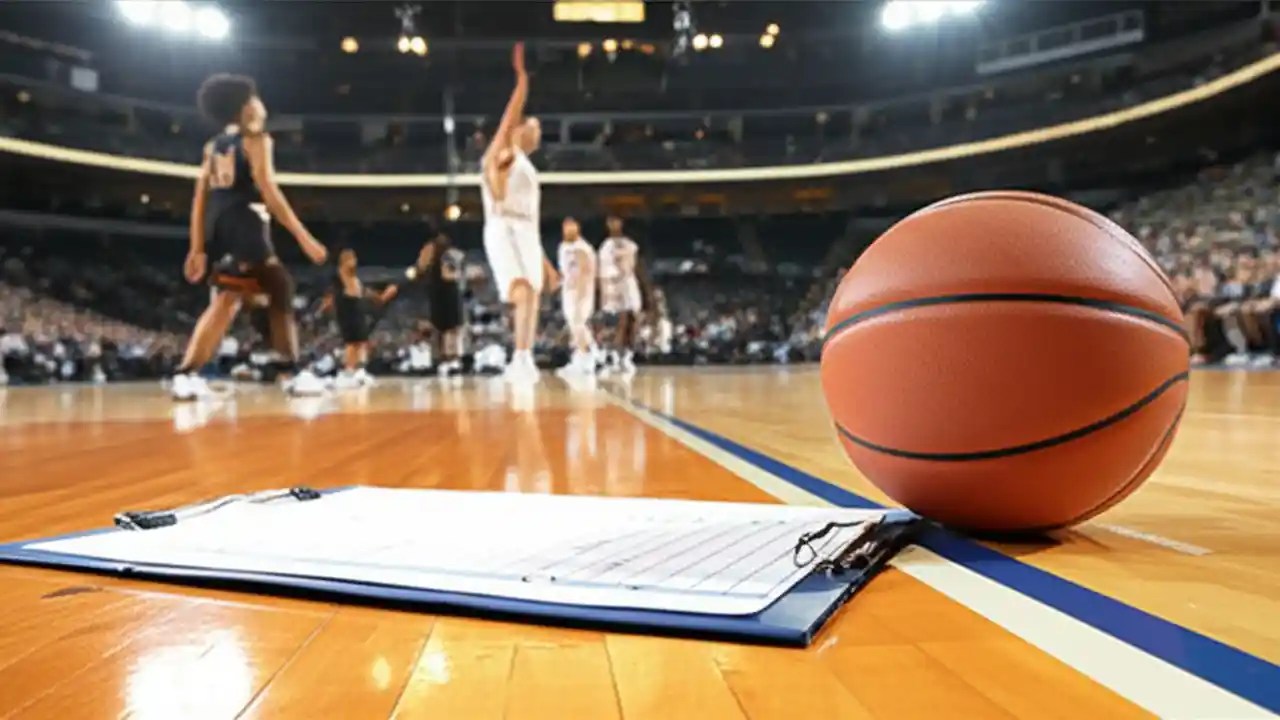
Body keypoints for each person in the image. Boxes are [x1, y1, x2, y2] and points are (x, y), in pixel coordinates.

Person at [172, 73, 328, 401]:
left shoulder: (212, 146)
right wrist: (304, 237)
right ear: (245, 107)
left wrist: (198, 246)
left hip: (219, 222)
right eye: (255, 98)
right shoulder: (257, 140)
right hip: (245, 219)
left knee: (232, 296)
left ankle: (187, 375)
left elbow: (199, 197)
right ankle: (291, 372)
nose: (260, 103)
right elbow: (268, 190)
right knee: (278, 286)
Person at [481, 42, 559, 384]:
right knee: (522, 292)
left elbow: (533, 222)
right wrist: (522, 84)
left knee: (534, 293)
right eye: (535, 125)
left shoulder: (528, 166)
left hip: (526, 229)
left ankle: (525, 358)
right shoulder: (503, 151)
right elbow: (508, 117)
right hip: (503, 224)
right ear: (519, 128)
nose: (538, 131)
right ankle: (519, 358)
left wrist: (545, 263)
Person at [325, 246, 397, 389]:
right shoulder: (341, 275)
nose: (354, 261)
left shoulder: (355, 279)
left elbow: (366, 292)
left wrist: (383, 296)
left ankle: (359, 371)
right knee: (352, 343)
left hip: (357, 309)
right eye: (350, 258)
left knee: (361, 343)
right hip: (348, 310)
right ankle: (348, 372)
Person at [411, 226, 467, 377]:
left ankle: (450, 359)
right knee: (446, 329)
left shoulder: (449, 253)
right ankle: (448, 359)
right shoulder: (441, 251)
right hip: (442, 290)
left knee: (449, 329)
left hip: (442, 290)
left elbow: (419, 269)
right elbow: (450, 274)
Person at [598, 215, 642, 375]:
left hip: (628, 283)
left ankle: (628, 354)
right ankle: (612, 355)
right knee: (616, 322)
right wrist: (604, 292)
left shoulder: (630, 244)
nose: (613, 225)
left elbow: (635, 266)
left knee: (632, 319)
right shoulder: (605, 247)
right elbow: (601, 272)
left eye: (616, 221)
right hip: (612, 284)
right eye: (610, 222)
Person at [556, 217, 598, 377]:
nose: (568, 230)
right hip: (568, 290)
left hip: (582, 291)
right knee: (573, 325)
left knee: (578, 323)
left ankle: (587, 355)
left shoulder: (583, 248)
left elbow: (586, 272)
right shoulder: (563, 247)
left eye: (571, 226)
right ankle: (581, 356)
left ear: (578, 228)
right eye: (565, 227)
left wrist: (581, 292)